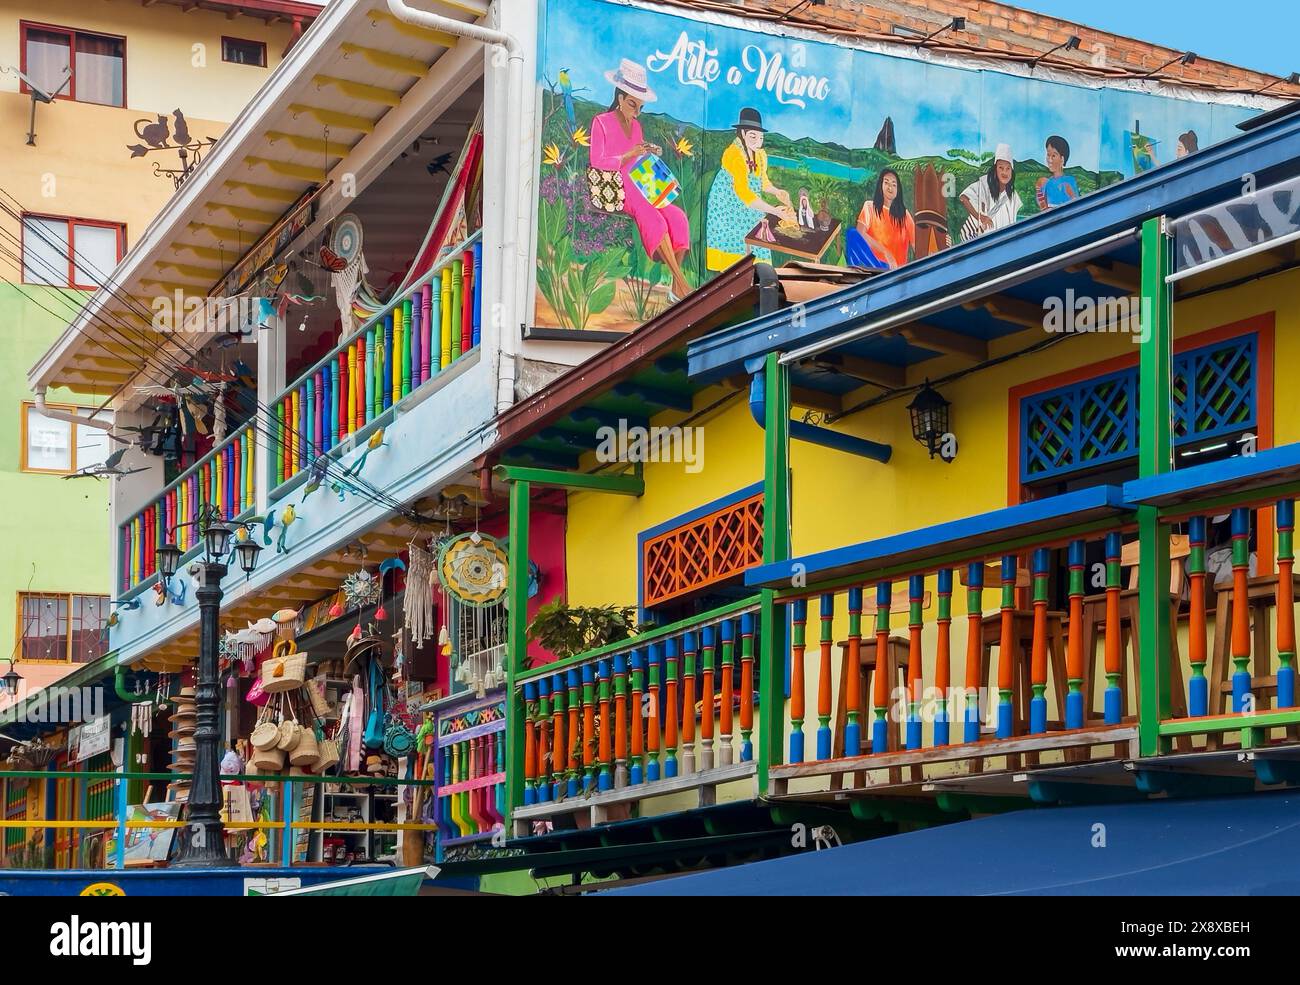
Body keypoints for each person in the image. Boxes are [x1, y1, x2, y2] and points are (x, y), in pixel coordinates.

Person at [589, 58, 692, 298]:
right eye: (632, 105)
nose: (636, 112)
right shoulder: (601, 122)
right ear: (620, 98)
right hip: (615, 185)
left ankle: (676, 287)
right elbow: (597, 162)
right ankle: (681, 283)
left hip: (639, 182)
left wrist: (648, 151)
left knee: (677, 217)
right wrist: (628, 155)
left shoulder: (636, 127)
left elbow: (638, 159)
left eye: (640, 107)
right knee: (651, 215)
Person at [705, 107, 795, 271]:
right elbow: (743, 193)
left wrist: (777, 192)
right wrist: (775, 211)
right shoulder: (734, 154)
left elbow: (762, 182)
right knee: (735, 250)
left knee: (758, 241)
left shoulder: (760, 154)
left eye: (760, 137)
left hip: (750, 204)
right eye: (752, 136)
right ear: (742, 134)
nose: (757, 141)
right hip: (728, 205)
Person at [846, 167, 915, 269]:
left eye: (894, 185)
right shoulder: (870, 206)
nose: (890, 187)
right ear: (880, 186)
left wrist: (944, 245)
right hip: (873, 265)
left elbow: (917, 246)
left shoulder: (905, 215)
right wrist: (886, 252)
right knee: (852, 234)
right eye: (886, 183)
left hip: (896, 271)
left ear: (898, 190)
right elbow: (860, 233)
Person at [960, 143, 1022, 241]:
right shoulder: (984, 184)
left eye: (1008, 168)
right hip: (984, 243)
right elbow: (964, 198)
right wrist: (980, 217)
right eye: (1001, 168)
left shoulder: (1012, 195)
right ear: (995, 169)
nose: (1004, 172)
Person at [1035, 135, 1079, 210]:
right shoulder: (1046, 182)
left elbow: (1077, 206)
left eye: (1054, 156)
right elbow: (1043, 208)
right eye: (1048, 155)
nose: (1050, 160)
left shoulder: (1069, 181)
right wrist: (1038, 189)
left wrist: (1071, 194)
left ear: (1062, 159)